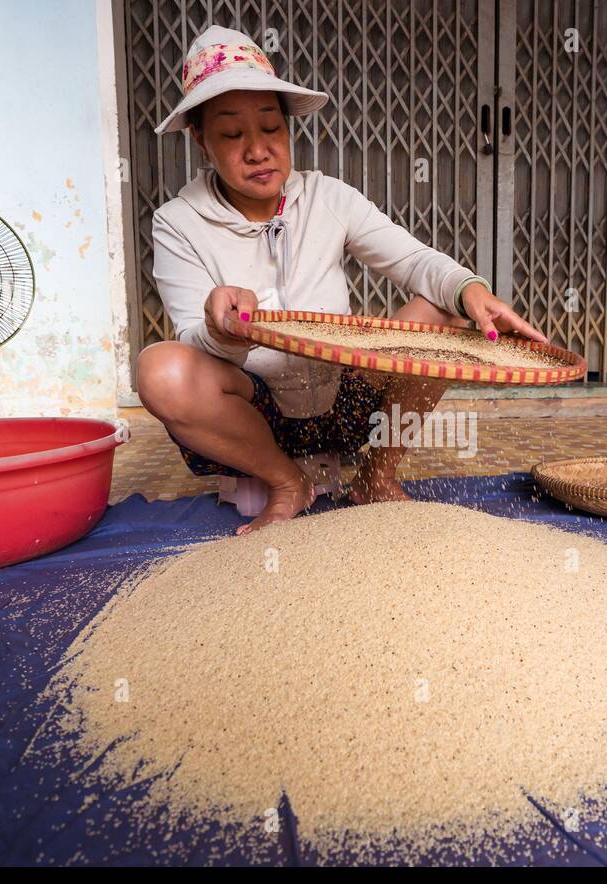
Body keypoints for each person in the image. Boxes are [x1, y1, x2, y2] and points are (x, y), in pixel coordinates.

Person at [139, 25, 546, 534]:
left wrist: (471, 291)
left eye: (270, 127)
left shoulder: (329, 198)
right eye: (231, 134)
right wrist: (220, 325)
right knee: (161, 369)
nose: (257, 150)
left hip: (344, 400)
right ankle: (287, 481)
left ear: (288, 127)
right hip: (255, 409)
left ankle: (374, 477)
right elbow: (191, 339)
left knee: (441, 310)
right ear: (200, 138)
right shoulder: (178, 221)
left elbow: (417, 262)